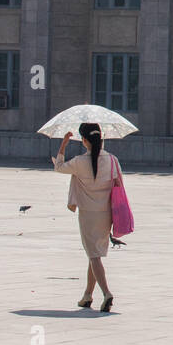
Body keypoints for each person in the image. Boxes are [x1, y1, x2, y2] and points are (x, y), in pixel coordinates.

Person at [54, 123, 118, 312]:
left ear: (84, 140)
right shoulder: (112, 160)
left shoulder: (79, 162)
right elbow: (117, 183)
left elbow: (58, 167)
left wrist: (64, 144)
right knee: (95, 254)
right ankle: (87, 296)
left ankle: (106, 293)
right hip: (107, 213)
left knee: (93, 254)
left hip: (88, 213)